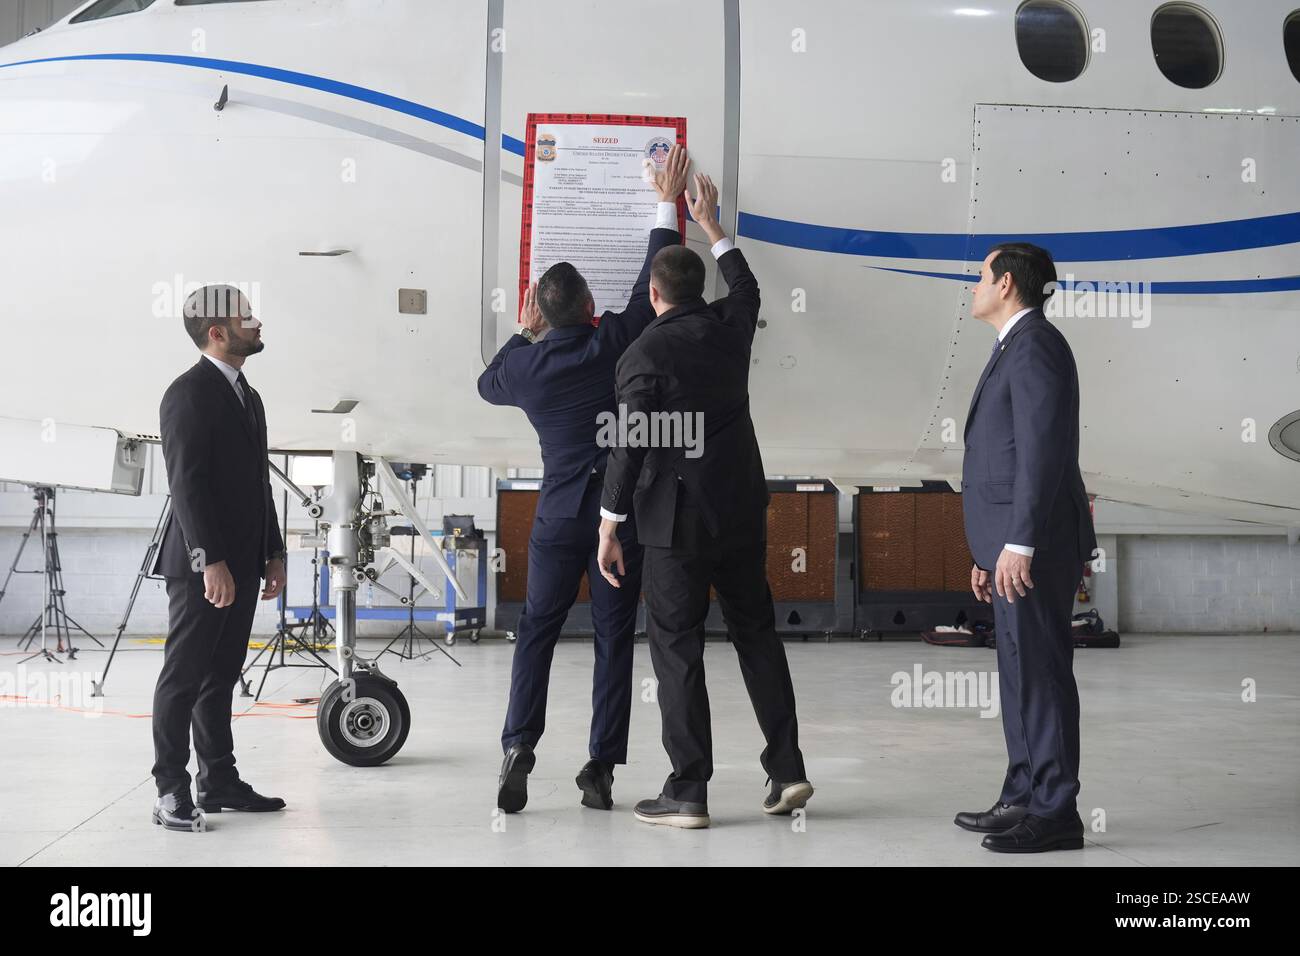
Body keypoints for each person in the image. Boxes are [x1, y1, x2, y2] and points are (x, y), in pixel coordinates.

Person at [596, 172, 811, 829]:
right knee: (757, 637)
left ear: (653, 293)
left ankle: (689, 790)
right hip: (741, 511)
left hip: (674, 524)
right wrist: (713, 224)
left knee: (677, 649)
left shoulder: (642, 353)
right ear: (698, 290)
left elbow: (630, 447)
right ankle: (788, 769)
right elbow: (747, 287)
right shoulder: (731, 328)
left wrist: (609, 522)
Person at [479, 144, 690, 813]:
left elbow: (487, 383)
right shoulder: (615, 343)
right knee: (611, 641)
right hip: (615, 518)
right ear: (591, 305)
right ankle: (599, 767)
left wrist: (521, 333)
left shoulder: (524, 371)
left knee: (536, 630)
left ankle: (518, 744)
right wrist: (667, 197)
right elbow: (650, 280)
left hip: (555, 518)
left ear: (542, 312)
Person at [954, 242, 1097, 853]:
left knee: (1040, 674)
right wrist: (991, 550)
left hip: (1035, 546)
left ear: (1006, 283)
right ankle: (1022, 795)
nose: (974, 287)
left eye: (981, 277)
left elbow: (1041, 453)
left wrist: (1020, 542)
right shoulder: (1016, 342)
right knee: (1018, 674)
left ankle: (1056, 811)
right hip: (1012, 546)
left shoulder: (1036, 344)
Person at [151, 284, 288, 832]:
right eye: (246, 317)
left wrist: (272, 551)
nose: (256, 324)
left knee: (222, 674)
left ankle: (219, 780)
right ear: (217, 332)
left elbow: (258, 482)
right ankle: (169, 790)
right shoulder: (187, 394)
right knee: (183, 677)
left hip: (244, 561)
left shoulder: (247, 395)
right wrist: (211, 561)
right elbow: (187, 488)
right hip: (201, 566)